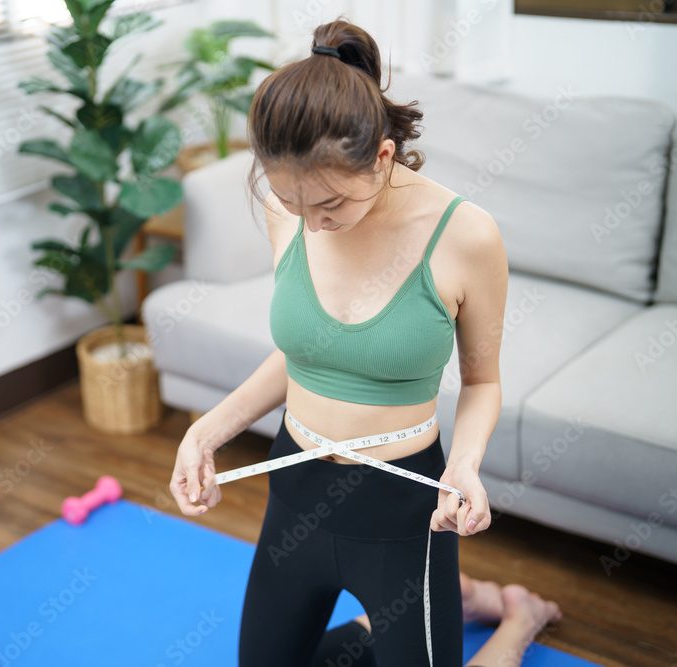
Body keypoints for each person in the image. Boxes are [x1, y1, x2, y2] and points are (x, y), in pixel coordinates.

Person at [169, 17, 560, 667]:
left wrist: (463, 464)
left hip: (404, 508)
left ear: (382, 157)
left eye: (330, 206)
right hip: (295, 480)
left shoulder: (466, 235)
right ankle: (451, 601)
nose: (313, 226)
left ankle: (518, 619)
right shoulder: (286, 205)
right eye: (296, 206)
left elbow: (483, 380)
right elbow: (309, 354)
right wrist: (208, 428)